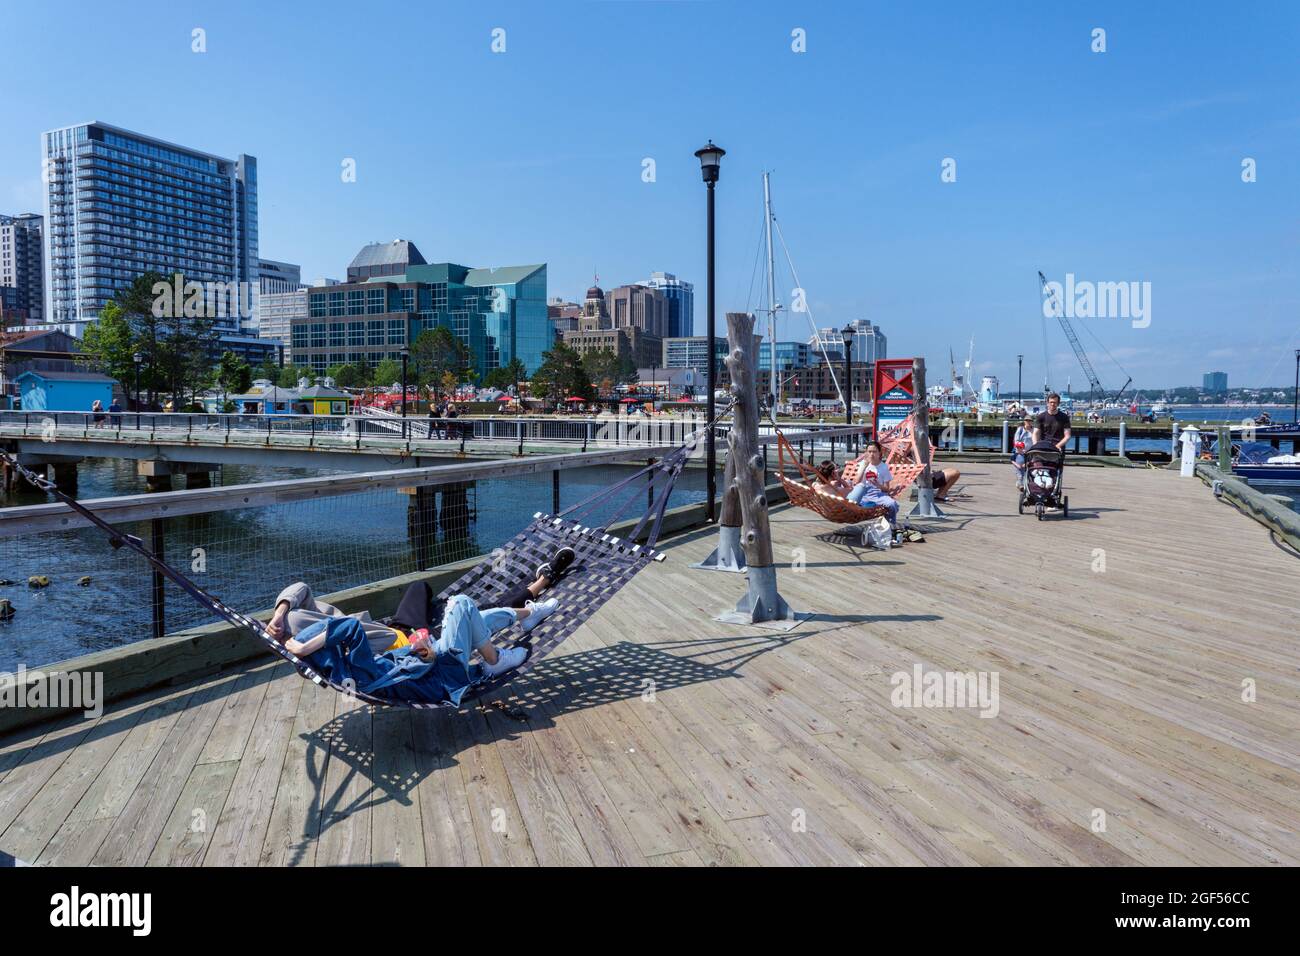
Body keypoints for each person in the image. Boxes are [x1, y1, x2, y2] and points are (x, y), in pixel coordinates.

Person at [267, 546, 576, 653]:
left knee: (420, 587)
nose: (280, 626)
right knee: (480, 610)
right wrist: (301, 641)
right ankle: (542, 582)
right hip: (415, 645)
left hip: (397, 627)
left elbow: (301, 589)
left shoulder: (321, 624)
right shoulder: (339, 637)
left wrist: (280, 612)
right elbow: (349, 632)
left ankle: (535, 589)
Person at [284, 594, 544, 705]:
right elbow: (350, 627)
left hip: (433, 667)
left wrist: (424, 652)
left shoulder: (349, 673)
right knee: (462, 603)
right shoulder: (359, 668)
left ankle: (530, 613)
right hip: (446, 678)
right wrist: (304, 646)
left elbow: (409, 667)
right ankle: (495, 659)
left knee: (476, 617)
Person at [1011, 413, 1034, 490]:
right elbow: (1016, 441)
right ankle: (1020, 483)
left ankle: (1028, 482)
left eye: (1030, 420)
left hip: (1030, 452)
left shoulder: (1034, 430)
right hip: (1020, 452)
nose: (1028, 422)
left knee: (1030, 467)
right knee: (1020, 469)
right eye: (1027, 420)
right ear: (1024, 421)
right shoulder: (1020, 429)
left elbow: (1036, 441)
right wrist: (1021, 449)